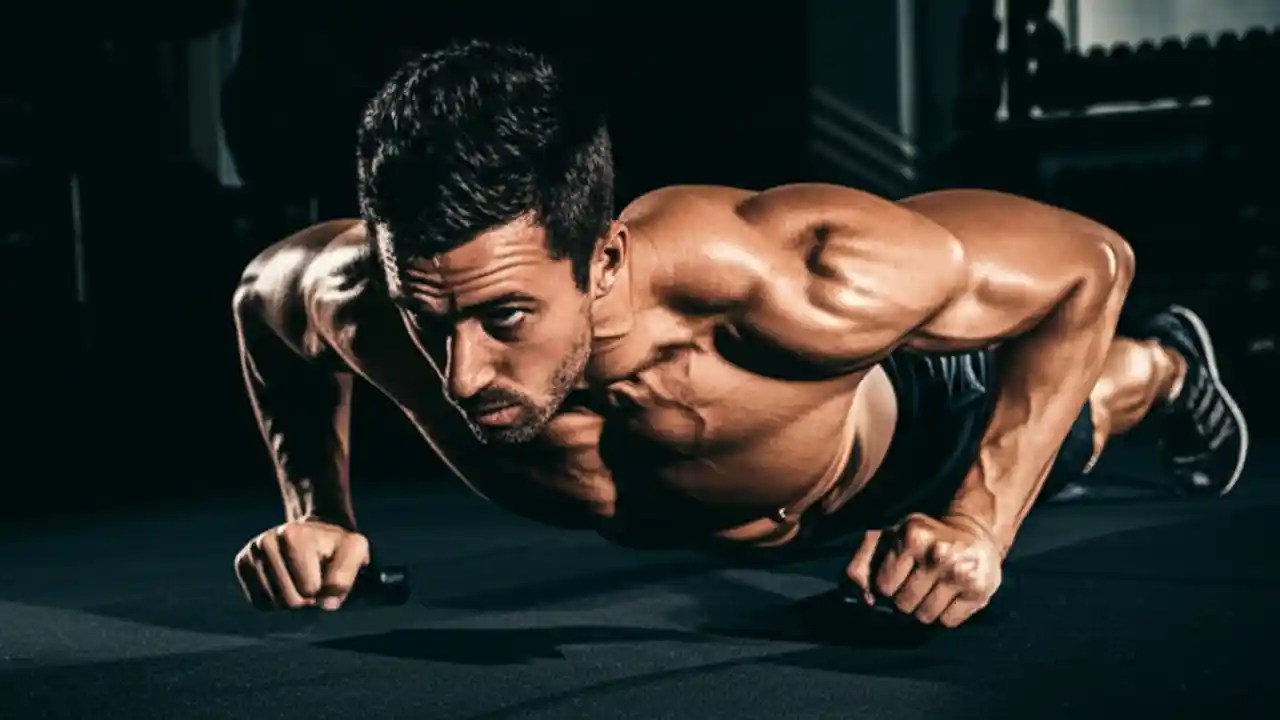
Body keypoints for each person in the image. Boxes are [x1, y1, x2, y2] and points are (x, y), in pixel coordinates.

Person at [231, 40, 1248, 627]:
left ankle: (1160, 367)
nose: (459, 374)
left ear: (604, 261)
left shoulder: (789, 274)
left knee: (1078, 421)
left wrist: (978, 528)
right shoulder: (362, 293)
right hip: (772, 502)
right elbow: (258, 305)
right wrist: (319, 510)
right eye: (427, 320)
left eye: (506, 317)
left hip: (910, 436)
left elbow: (1086, 263)